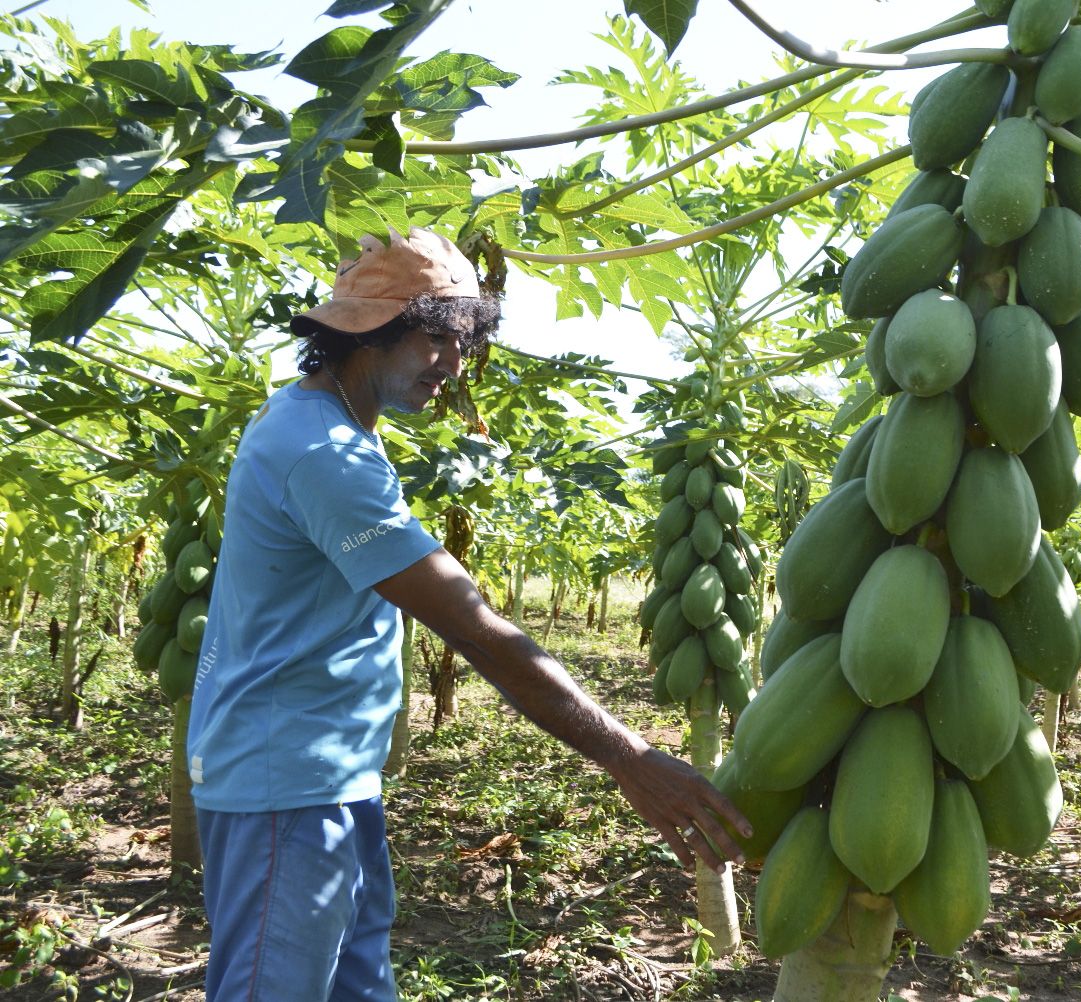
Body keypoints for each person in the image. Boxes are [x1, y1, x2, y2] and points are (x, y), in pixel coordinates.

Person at [186, 227, 750, 1001]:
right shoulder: (321, 452)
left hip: (331, 771)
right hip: (286, 782)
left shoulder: (333, 428)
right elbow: (470, 625)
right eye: (435, 340)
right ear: (368, 332)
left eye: (463, 343)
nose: (452, 366)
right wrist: (627, 755)